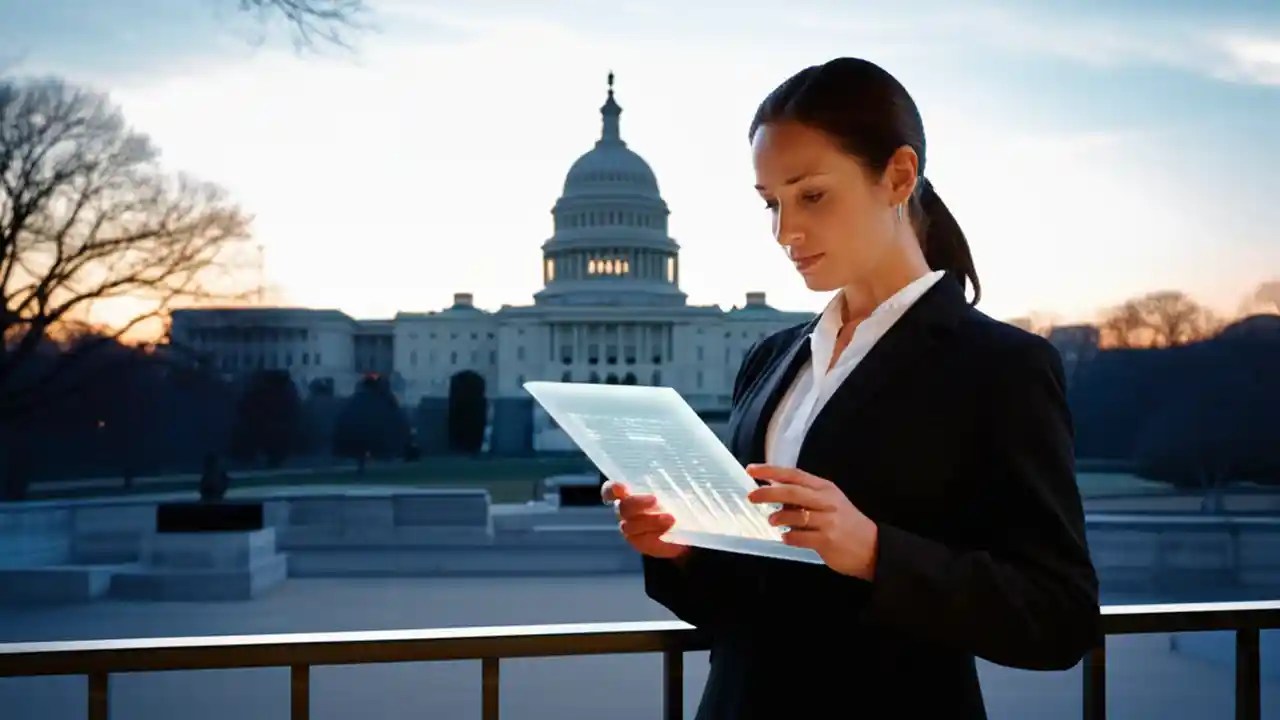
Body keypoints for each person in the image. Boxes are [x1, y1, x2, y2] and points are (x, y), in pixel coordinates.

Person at [602, 57, 1101, 719]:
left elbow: (1058, 617)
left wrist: (873, 551)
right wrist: (682, 552)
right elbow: (740, 611)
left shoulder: (1001, 367)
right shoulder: (772, 361)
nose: (786, 233)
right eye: (771, 204)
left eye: (811, 194)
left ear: (897, 176)